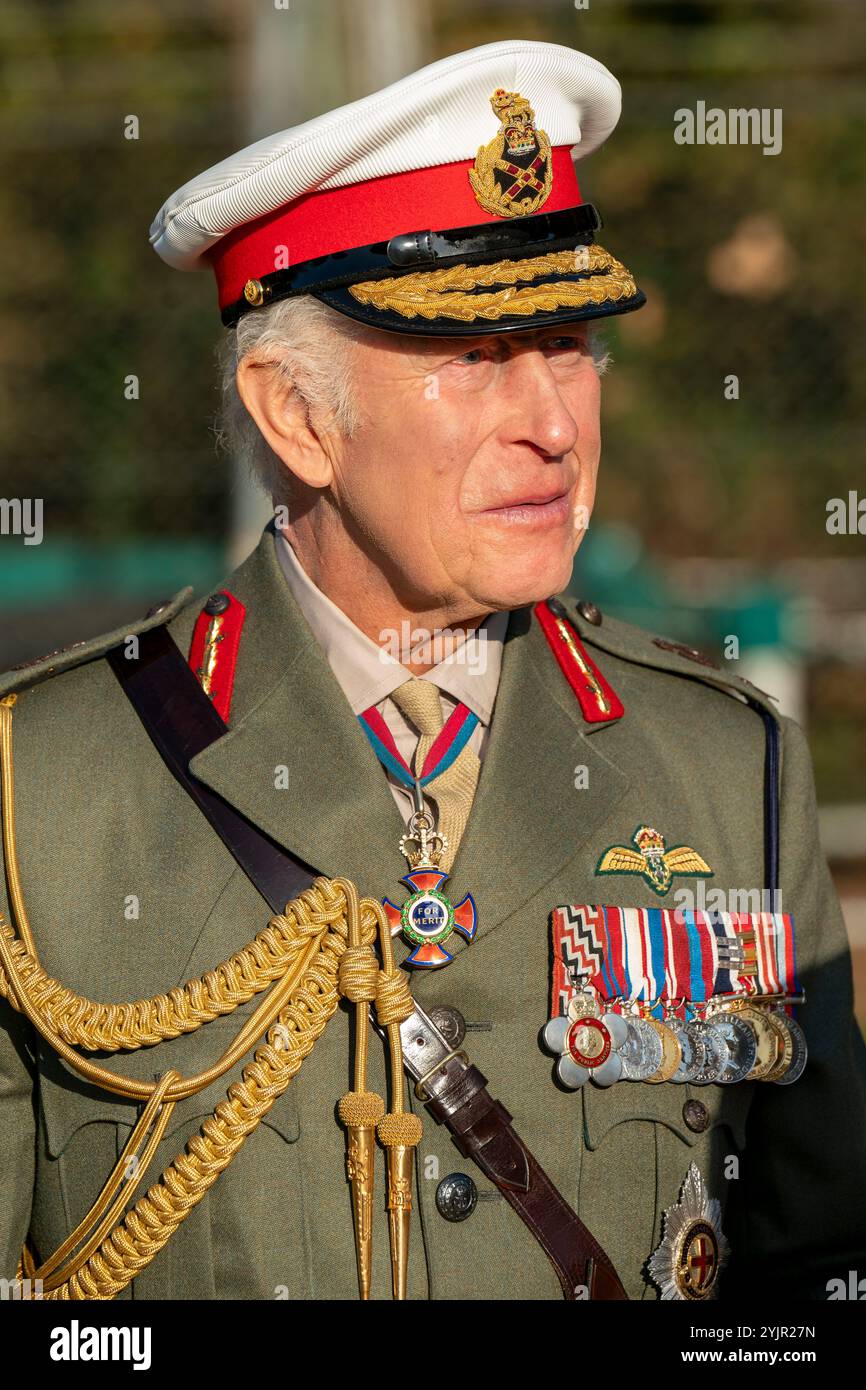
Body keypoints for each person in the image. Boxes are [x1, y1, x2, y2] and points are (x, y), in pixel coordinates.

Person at [1, 38, 864, 1304]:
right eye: (474, 359)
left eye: (568, 344)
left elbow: (818, 1268)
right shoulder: (46, 785)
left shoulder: (727, 764)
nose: (556, 424)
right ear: (297, 416)